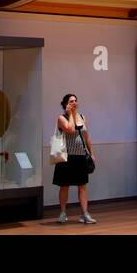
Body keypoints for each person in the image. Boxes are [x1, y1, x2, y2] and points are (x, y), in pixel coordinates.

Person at [53, 93, 97, 224]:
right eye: (71, 101)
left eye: (75, 101)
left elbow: (86, 137)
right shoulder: (62, 118)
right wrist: (70, 113)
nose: (74, 103)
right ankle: (62, 213)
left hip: (80, 157)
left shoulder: (82, 117)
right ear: (66, 103)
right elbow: (70, 129)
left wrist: (91, 152)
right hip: (66, 157)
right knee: (64, 186)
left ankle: (85, 214)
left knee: (82, 186)